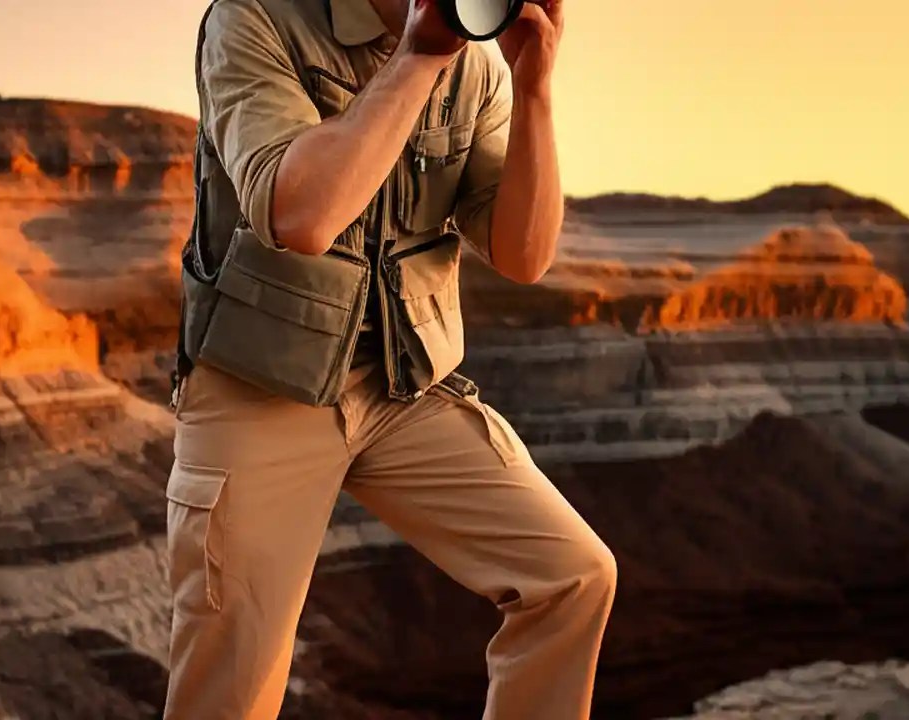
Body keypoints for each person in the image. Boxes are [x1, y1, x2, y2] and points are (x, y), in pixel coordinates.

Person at [165, 0, 616, 717]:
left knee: (573, 576)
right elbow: (300, 216)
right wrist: (417, 58)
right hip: (260, 386)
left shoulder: (473, 70)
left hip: (398, 388)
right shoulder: (253, 20)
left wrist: (534, 86)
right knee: (234, 687)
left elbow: (524, 253)